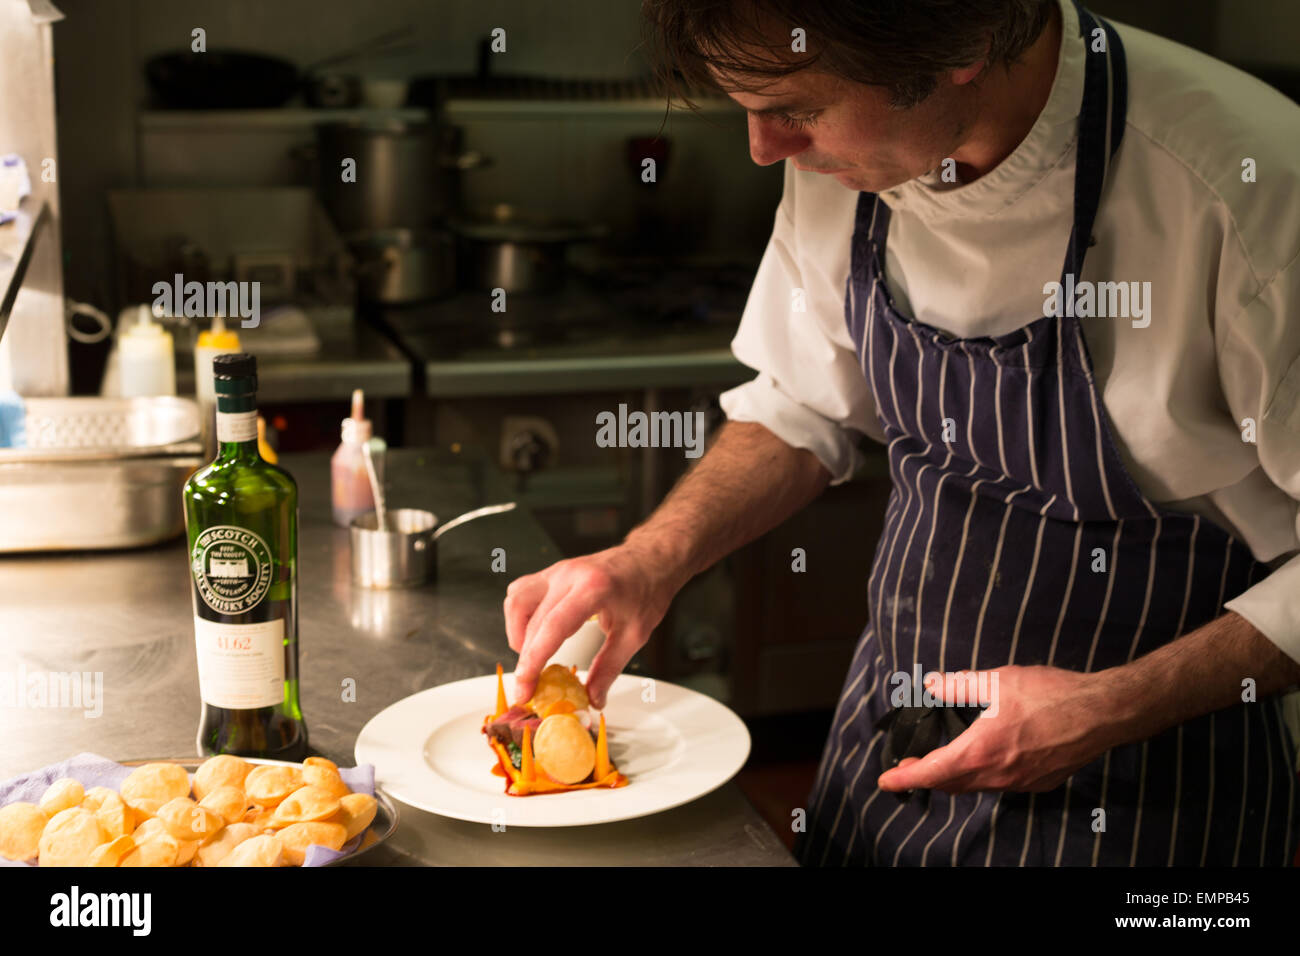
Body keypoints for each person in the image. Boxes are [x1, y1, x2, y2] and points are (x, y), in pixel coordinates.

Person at [504, 0, 1300, 866]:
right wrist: (652, 559)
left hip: (1153, 794)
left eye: (797, 110)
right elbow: (805, 401)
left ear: (957, 42)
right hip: (887, 750)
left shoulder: (1249, 188)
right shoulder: (848, 156)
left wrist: (1106, 710)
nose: (765, 150)